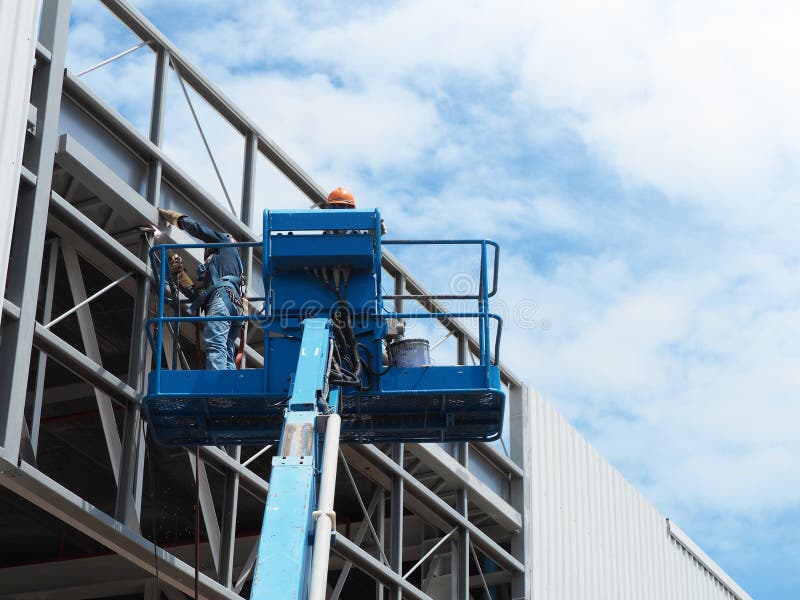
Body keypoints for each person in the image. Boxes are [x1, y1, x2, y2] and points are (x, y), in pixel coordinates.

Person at [158, 208, 244, 370]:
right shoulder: (231, 266)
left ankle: (216, 391)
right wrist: (181, 275)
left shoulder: (224, 241)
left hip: (223, 300)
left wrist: (178, 219)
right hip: (234, 306)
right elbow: (199, 298)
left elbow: (198, 229)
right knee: (227, 350)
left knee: (216, 345)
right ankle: (228, 390)